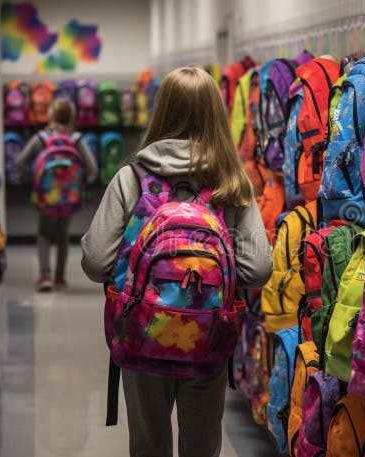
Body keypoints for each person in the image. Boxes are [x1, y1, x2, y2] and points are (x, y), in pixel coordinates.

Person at [81, 67, 272, 457]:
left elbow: (96, 262)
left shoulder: (131, 179)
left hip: (141, 334)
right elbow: (258, 270)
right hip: (208, 337)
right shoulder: (231, 182)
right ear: (216, 114)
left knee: (149, 446)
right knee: (202, 446)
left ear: (162, 110)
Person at [15, 97, 97, 292]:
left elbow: (19, 163)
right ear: (71, 118)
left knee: (44, 233)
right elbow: (92, 168)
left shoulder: (41, 138)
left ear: (51, 114)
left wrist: (34, 179)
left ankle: (45, 276)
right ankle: (60, 278)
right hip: (70, 195)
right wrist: (79, 181)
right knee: (62, 235)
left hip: (46, 195)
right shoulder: (76, 139)